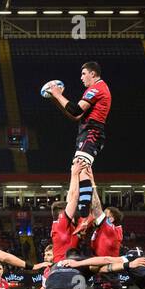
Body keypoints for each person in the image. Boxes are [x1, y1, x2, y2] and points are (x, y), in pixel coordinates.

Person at [42, 61, 111, 236]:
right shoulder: (93, 90)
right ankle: (85, 214)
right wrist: (56, 99)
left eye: (84, 74)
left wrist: (57, 94)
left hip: (92, 133)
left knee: (80, 166)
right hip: (87, 133)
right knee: (82, 170)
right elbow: (76, 115)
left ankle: (85, 214)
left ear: (93, 74)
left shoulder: (97, 88)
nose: (81, 78)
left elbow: (74, 110)